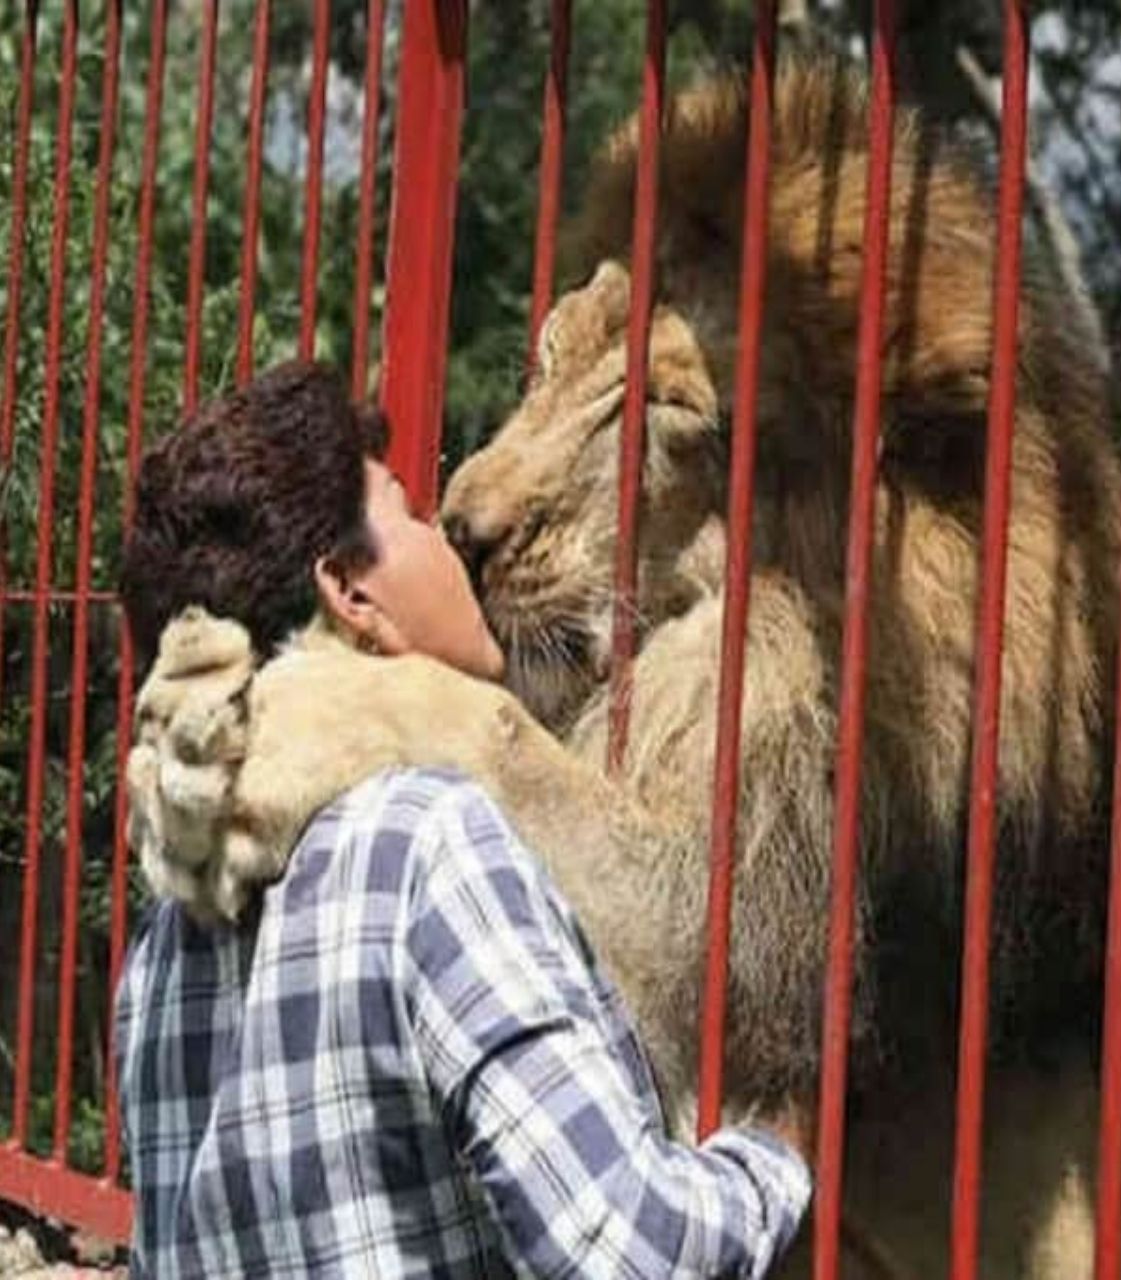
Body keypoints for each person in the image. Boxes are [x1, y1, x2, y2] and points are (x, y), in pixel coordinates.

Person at [114, 360, 812, 1279]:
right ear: (352, 593)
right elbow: (625, 1251)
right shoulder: (430, 844)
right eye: (410, 514)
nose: (456, 532)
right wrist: (774, 1158)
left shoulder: (160, 949)